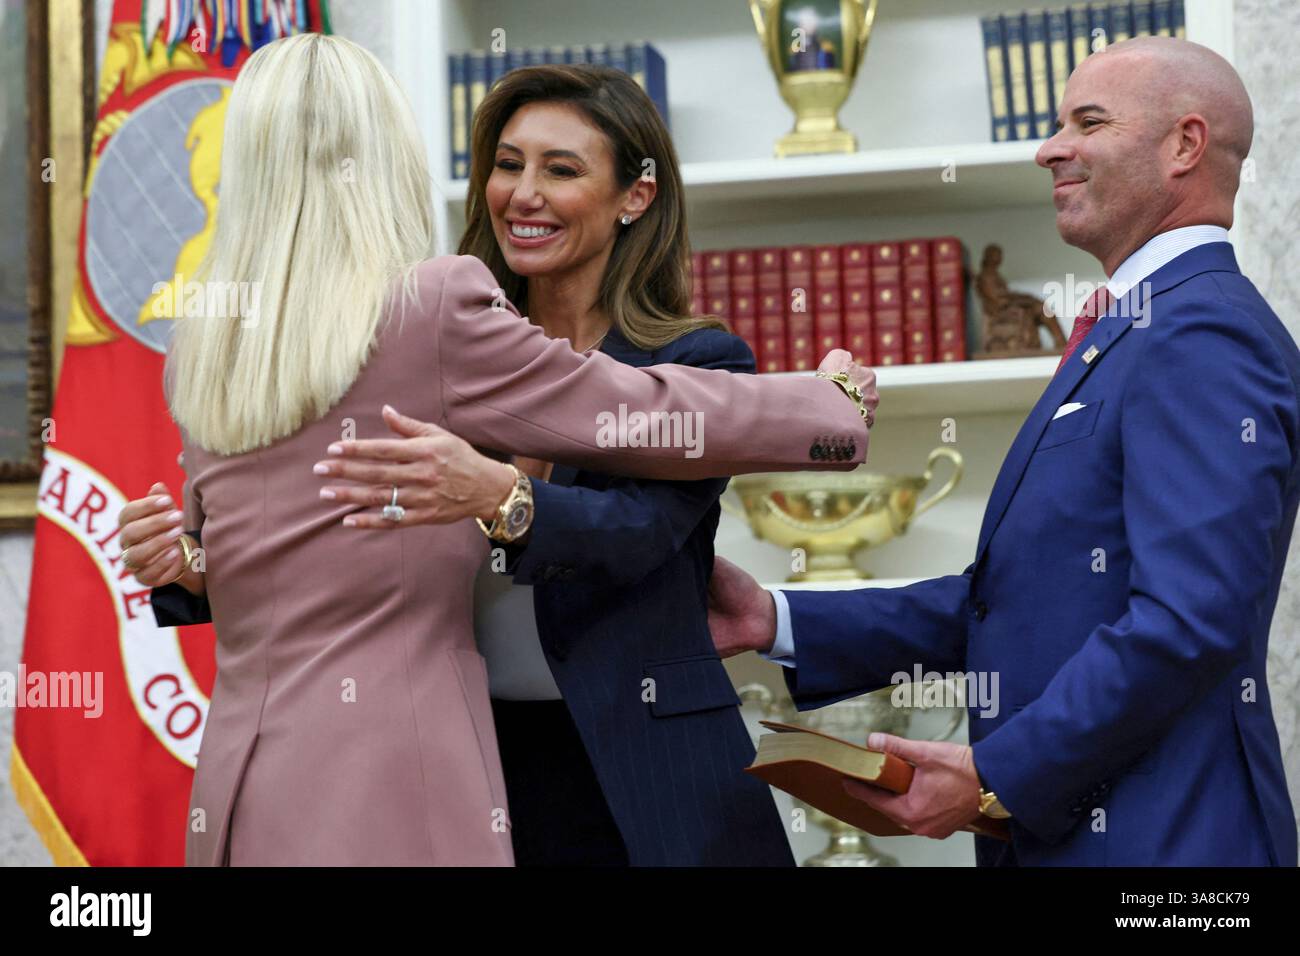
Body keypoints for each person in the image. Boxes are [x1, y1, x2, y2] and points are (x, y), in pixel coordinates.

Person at [117, 36, 873, 866]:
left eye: (560, 169)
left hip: (252, 787)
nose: (522, 193)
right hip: (411, 777)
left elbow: (283, 541)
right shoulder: (428, 311)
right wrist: (822, 410)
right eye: (508, 164)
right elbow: (633, 409)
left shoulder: (209, 338)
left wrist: (194, 557)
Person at [708, 36, 1300, 867]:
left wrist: (994, 772)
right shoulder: (1134, 328)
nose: (1048, 148)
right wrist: (775, 618)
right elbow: (1015, 601)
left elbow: (1186, 621)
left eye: (1087, 122)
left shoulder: (1200, 330)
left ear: (1185, 146)